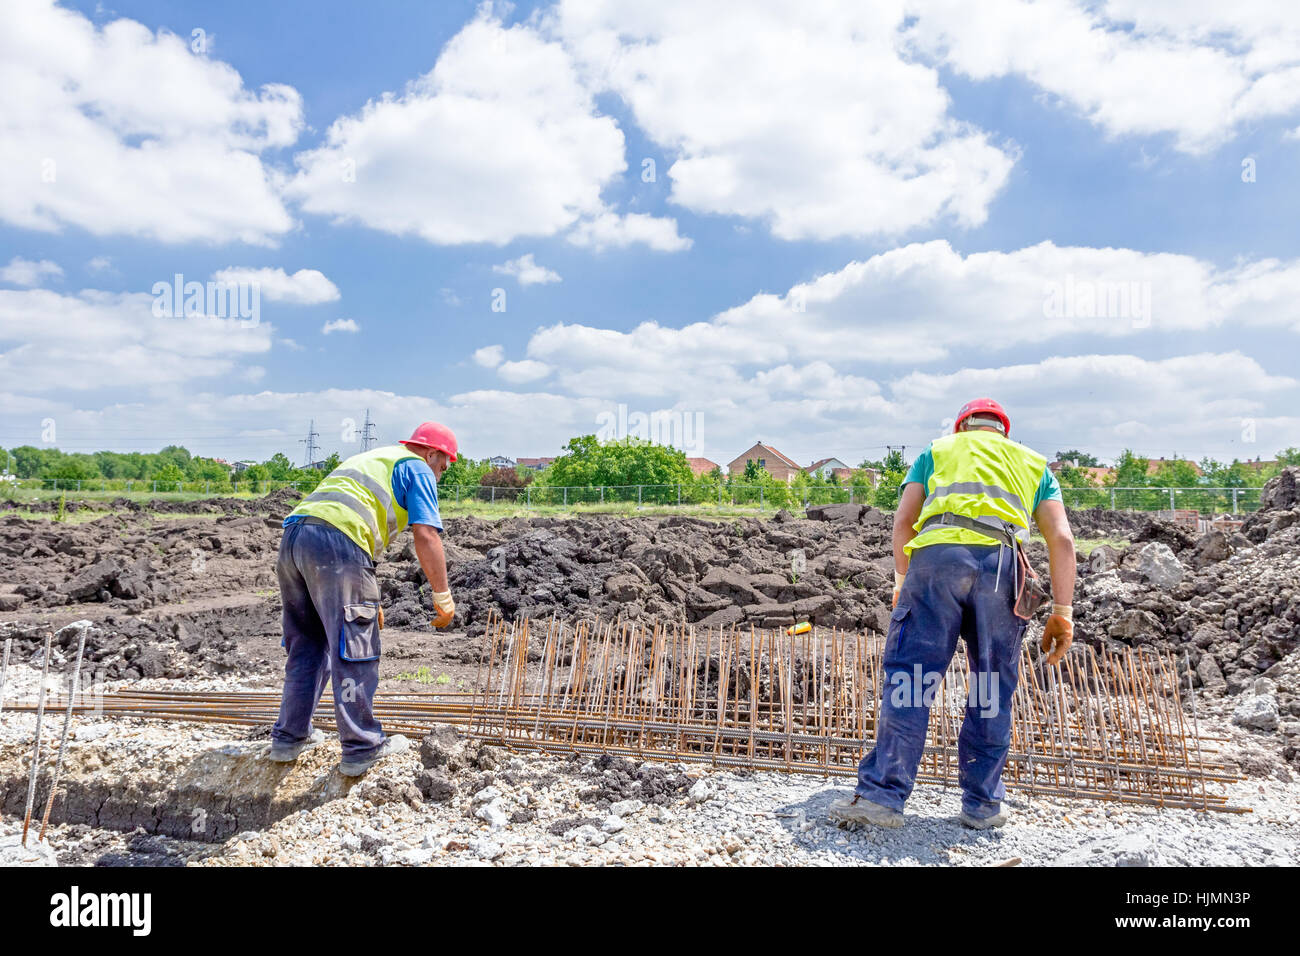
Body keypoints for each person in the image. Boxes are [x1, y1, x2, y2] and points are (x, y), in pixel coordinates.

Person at [830, 398, 1076, 829]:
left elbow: (905, 521)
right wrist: (1063, 610)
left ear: (963, 427)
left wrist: (902, 581)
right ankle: (982, 806)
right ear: (1003, 431)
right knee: (990, 687)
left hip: (936, 561)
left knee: (910, 679)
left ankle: (881, 799)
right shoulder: (1036, 465)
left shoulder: (937, 451)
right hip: (1001, 569)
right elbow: (1061, 539)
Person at [267, 421, 459, 776]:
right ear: (432, 453)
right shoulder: (417, 468)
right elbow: (427, 534)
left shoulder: (377, 458)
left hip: (294, 540)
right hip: (337, 544)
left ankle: (288, 739)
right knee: (354, 648)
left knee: (307, 646)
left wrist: (367, 596)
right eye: (443, 467)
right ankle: (362, 748)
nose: (441, 476)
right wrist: (442, 592)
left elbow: (348, 519)